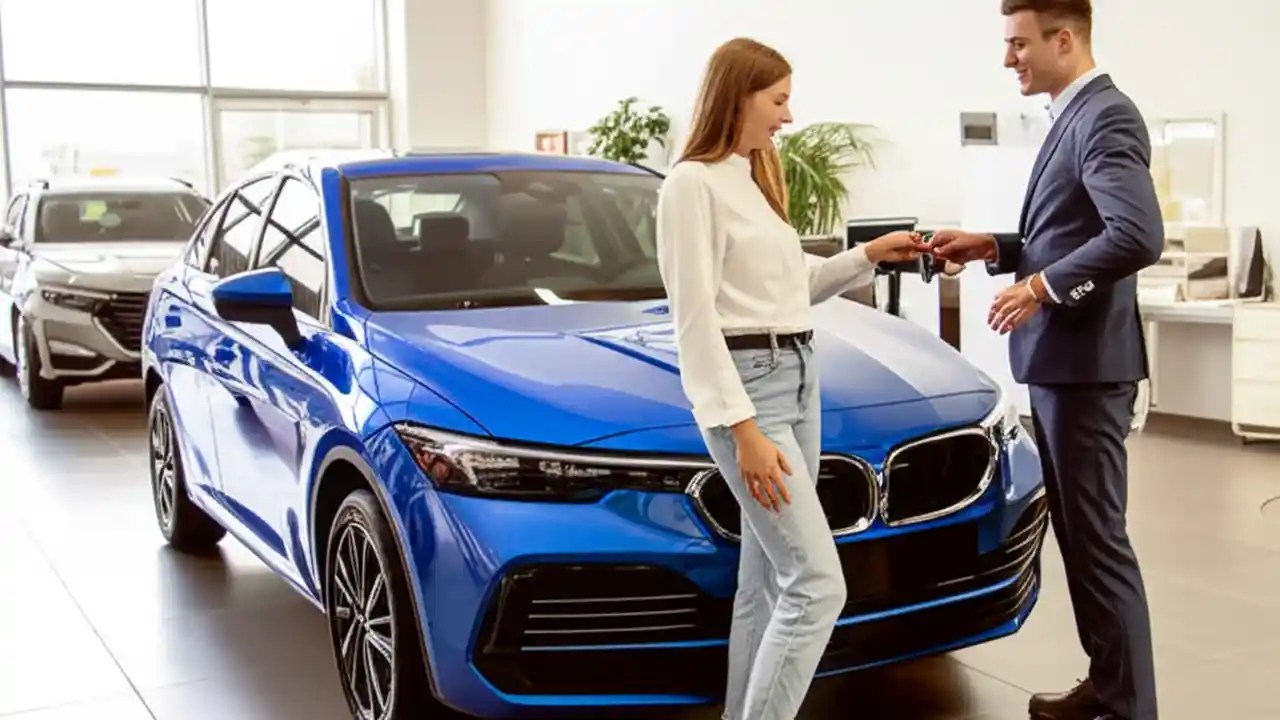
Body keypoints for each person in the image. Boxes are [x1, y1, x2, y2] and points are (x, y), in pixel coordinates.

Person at [655, 37, 927, 720]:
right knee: (816, 585)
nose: (788, 115)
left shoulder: (752, 178)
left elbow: (790, 287)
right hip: (750, 392)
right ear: (737, 96)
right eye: (777, 100)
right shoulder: (691, 184)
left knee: (768, 584)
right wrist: (742, 430)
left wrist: (866, 254)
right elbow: (693, 321)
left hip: (799, 378)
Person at [926, 2, 1162, 719]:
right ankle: (1109, 686)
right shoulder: (1075, 114)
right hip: (1067, 366)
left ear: (1065, 39)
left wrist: (1041, 285)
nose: (1010, 59)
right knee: (1083, 541)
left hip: (1087, 369)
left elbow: (1137, 234)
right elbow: (1072, 230)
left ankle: (1128, 707)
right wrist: (997, 248)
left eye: (1019, 44)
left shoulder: (1105, 116)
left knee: (1099, 543)